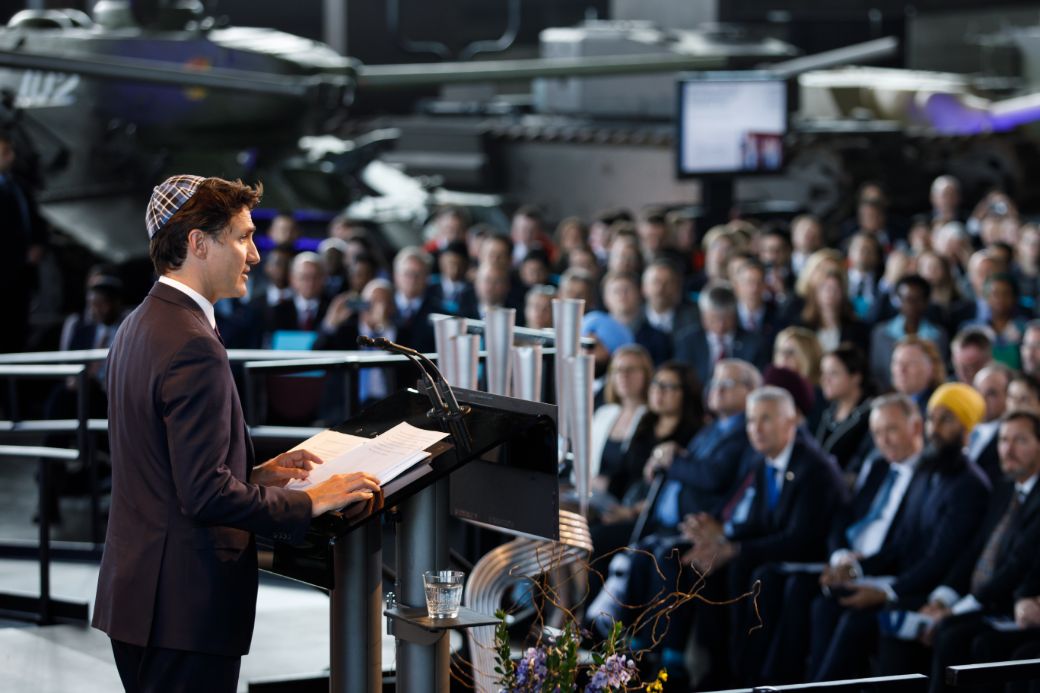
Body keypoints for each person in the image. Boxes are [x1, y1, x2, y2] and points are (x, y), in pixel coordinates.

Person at [93, 175, 383, 693]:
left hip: (140, 599)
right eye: (242, 237)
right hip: (183, 610)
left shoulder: (140, 324)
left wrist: (255, 476)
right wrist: (311, 501)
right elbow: (203, 494)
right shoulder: (191, 343)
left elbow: (167, 472)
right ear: (197, 244)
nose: (254, 254)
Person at [878, 409, 1040, 692]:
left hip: (1007, 605)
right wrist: (944, 598)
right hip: (981, 599)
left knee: (958, 636)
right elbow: (974, 551)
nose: (1008, 450)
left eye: (1020, 441)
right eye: (1003, 440)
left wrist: (955, 610)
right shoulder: (1003, 490)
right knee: (901, 619)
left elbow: (1018, 563)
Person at [816, 344, 874, 471]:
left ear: (855, 377)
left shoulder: (871, 415)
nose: (825, 380)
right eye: (823, 373)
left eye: (833, 373)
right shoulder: (827, 411)